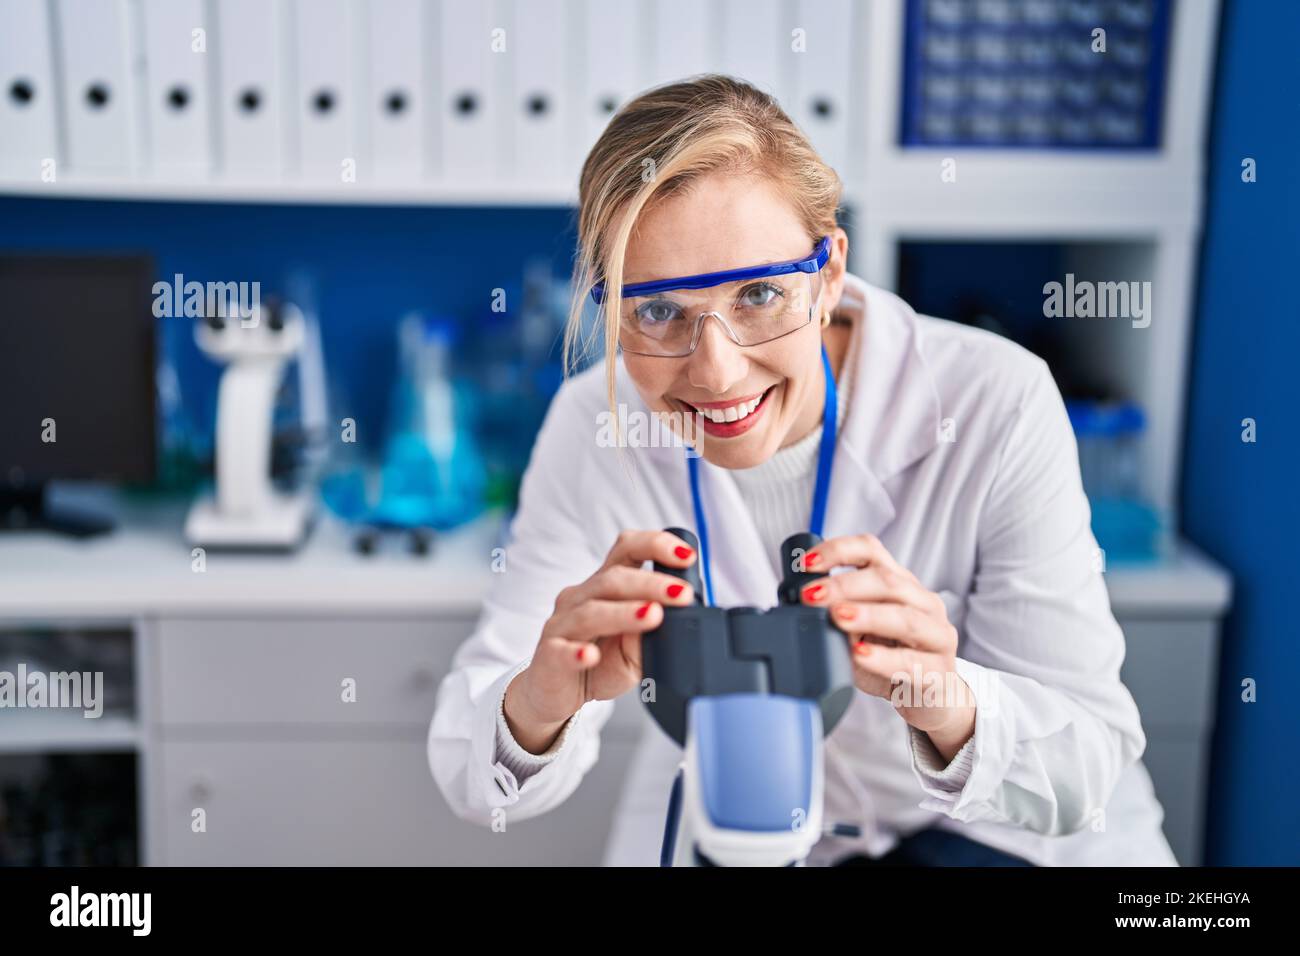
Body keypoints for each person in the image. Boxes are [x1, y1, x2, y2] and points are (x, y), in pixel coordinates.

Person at [428, 75, 1175, 866]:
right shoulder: (593, 427)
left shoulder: (996, 398)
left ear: (828, 277)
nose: (716, 373)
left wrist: (946, 697)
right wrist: (547, 695)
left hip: (992, 832)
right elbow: (473, 778)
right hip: (738, 808)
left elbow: (1085, 765)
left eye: (759, 294)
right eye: (656, 312)